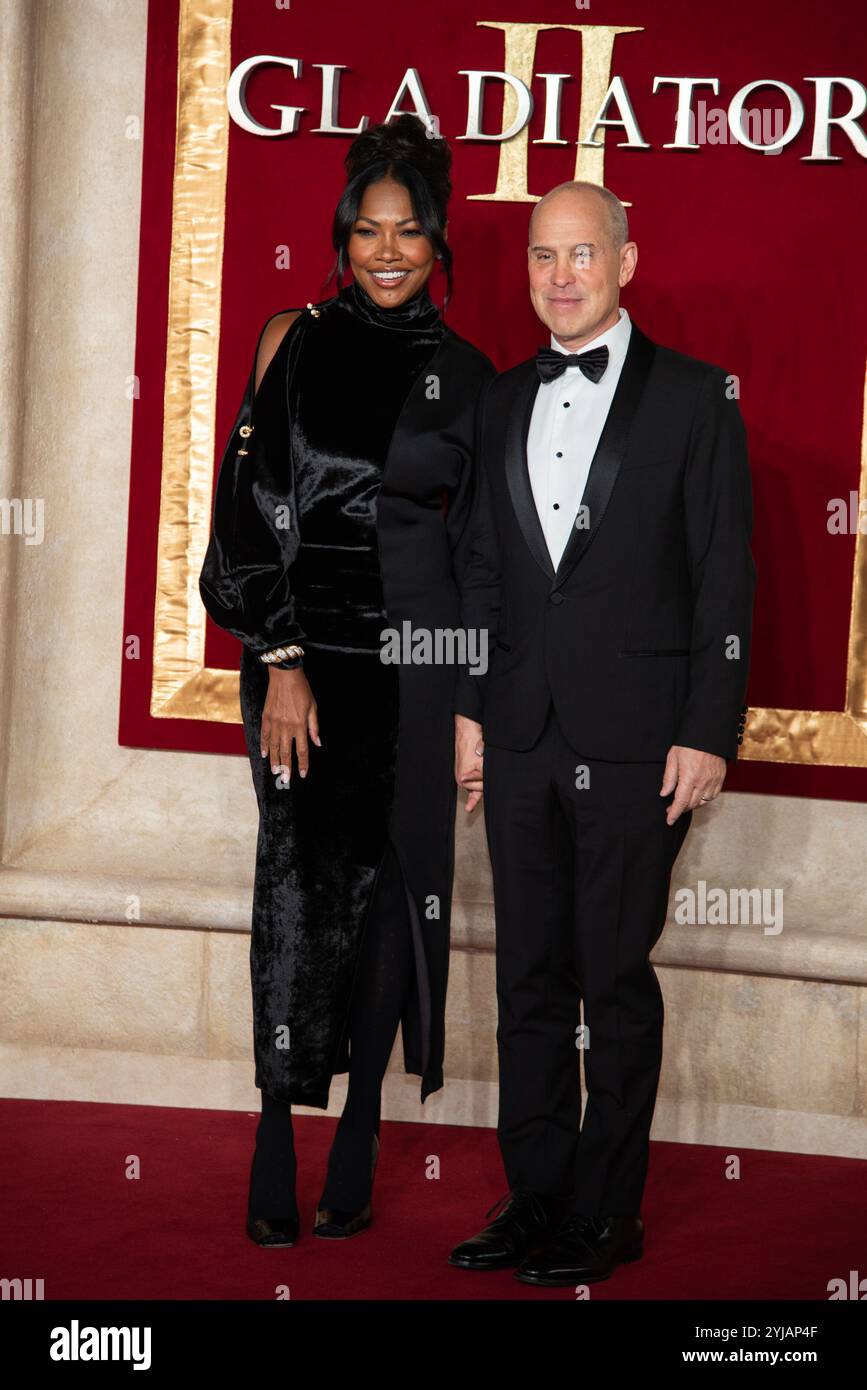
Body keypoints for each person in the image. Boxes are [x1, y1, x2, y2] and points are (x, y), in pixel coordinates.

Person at [450, 181, 756, 1286]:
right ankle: (535, 1195)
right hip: (521, 731)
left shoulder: (693, 396)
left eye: (583, 253)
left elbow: (724, 570)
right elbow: (482, 568)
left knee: (611, 976)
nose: (561, 275)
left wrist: (708, 728)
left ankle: (606, 1210)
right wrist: (471, 709)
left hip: (638, 739)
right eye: (543, 255)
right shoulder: (493, 402)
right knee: (526, 977)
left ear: (627, 260)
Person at [199, 114, 495, 1247]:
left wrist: (468, 703)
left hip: (415, 669)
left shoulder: (471, 379)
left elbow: (481, 559)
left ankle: (364, 1126)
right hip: (300, 661)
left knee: (395, 901)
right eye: (366, 231)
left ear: (438, 242)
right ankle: (279, 1125)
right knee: (299, 883)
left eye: (408, 232)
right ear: (341, 235)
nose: (385, 251)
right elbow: (245, 513)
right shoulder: (293, 338)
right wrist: (279, 660)